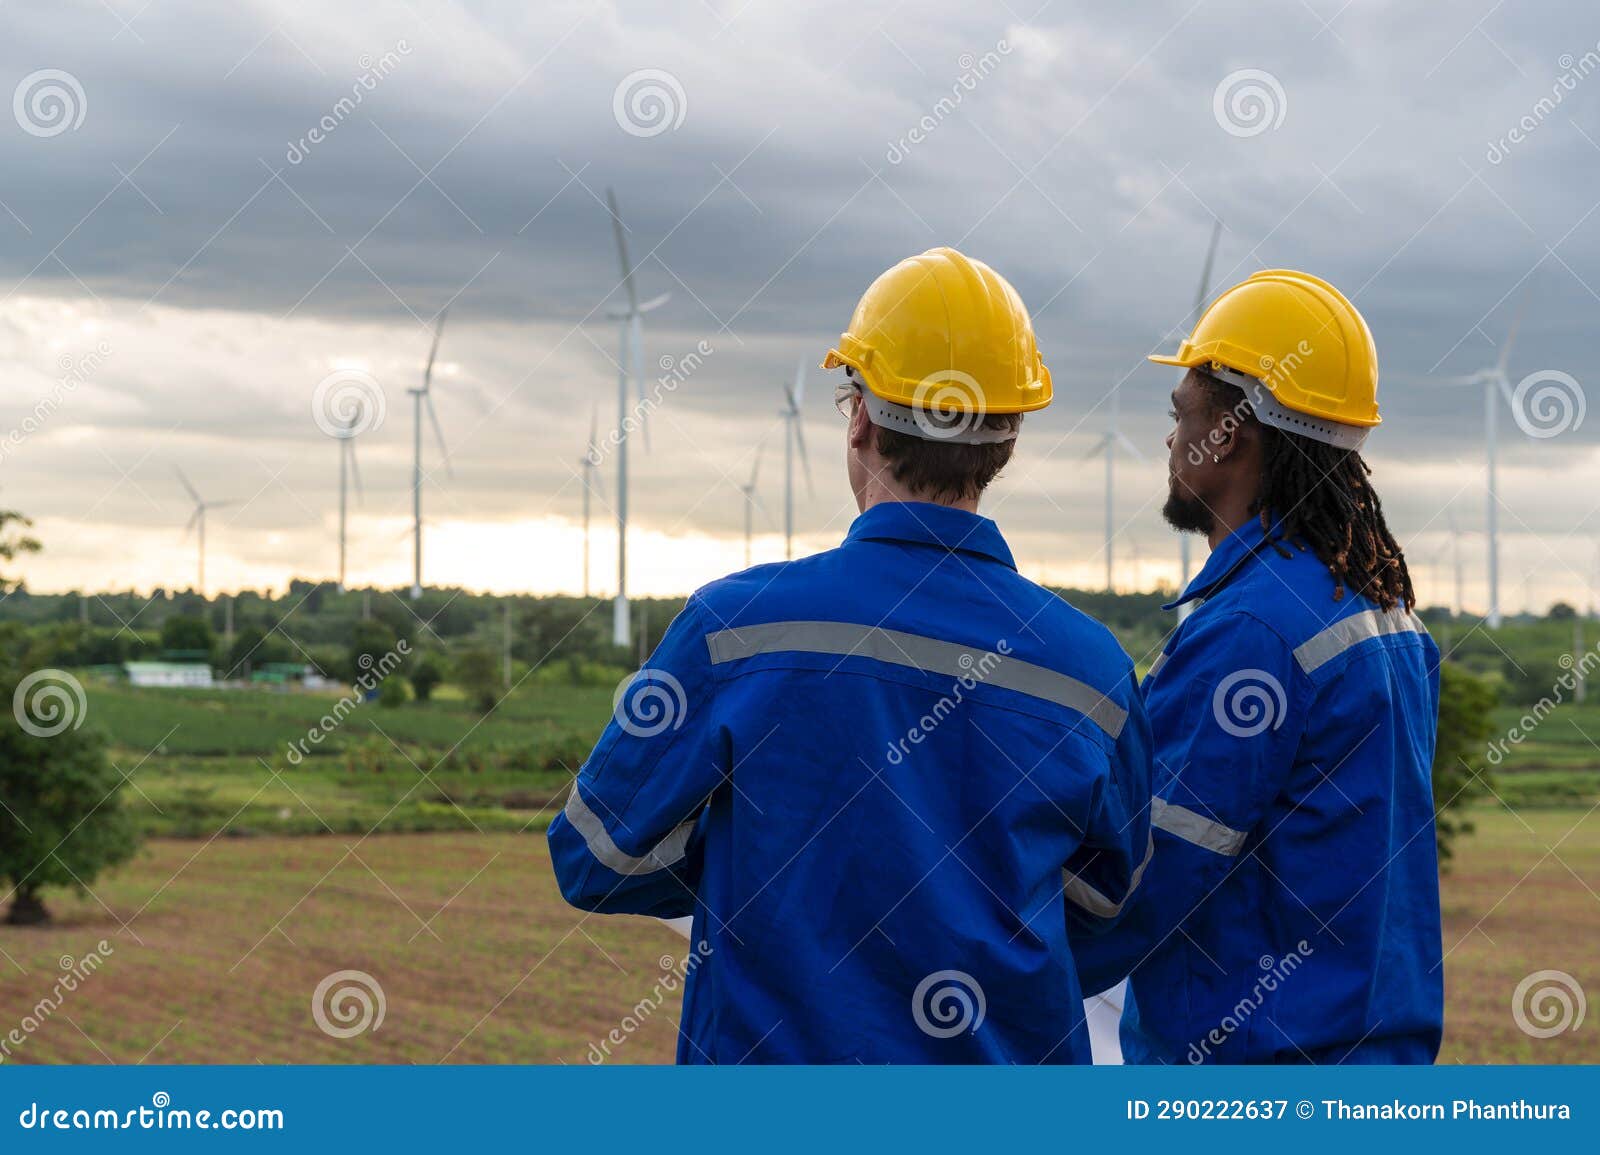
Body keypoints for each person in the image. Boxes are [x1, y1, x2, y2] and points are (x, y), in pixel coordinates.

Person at [549, 247, 1152, 1063]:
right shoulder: (1094, 674)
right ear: (1008, 439)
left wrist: (758, 862)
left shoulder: (734, 629)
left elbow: (592, 855)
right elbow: (1115, 913)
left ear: (860, 417)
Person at [1073, 269, 1444, 1063]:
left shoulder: (1252, 631)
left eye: (1179, 414)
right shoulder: (1389, 616)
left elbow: (1147, 876)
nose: (1169, 440)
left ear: (1231, 431)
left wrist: (994, 957)